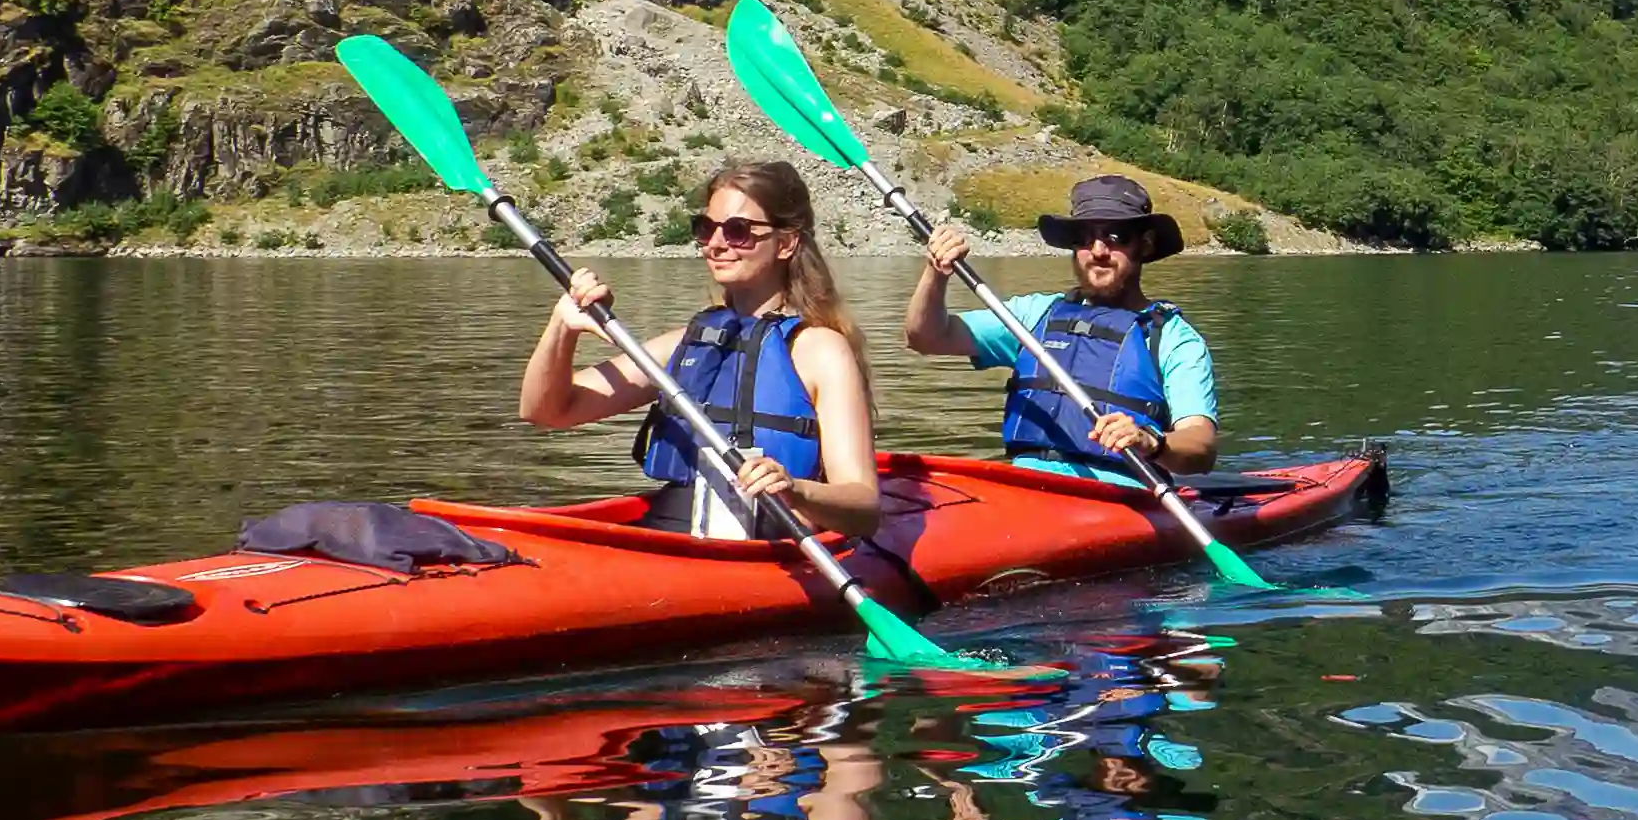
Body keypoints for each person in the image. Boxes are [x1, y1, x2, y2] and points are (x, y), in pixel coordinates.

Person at [522, 156, 881, 537]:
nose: (716, 244)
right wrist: (562, 329)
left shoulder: (820, 350)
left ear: (786, 242)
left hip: (771, 537)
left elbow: (863, 506)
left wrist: (795, 488)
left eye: (738, 230)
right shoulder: (686, 344)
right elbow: (546, 411)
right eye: (706, 228)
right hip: (676, 530)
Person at [906, 171, 1220, 477]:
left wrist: (1152, 442)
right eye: (1085, 238)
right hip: (1025, 488)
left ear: (1146, 245)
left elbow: (1200, 446)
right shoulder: (1035, 314)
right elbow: (926, 337)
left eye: (1115, 237)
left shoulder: (1173, 338)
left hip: (1123, 499)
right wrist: (936, 273)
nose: (1098, 251)